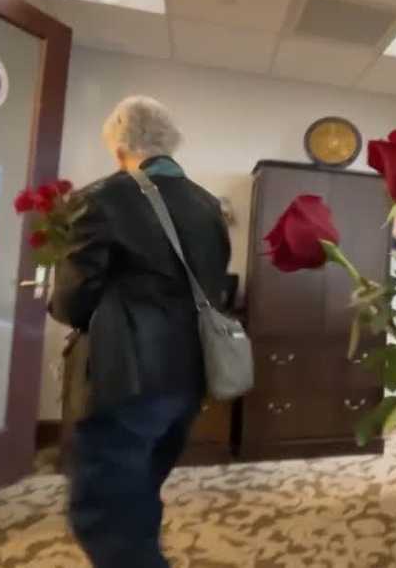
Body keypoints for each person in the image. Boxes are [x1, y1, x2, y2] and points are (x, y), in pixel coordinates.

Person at [50, 95, 231, 567]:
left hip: (124, 376)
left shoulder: (103, 198)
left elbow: (72, 301)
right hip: (190, 375)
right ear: (169, 144)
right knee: (140, 488)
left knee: (105, 511)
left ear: (119, 148)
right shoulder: (209, 205)